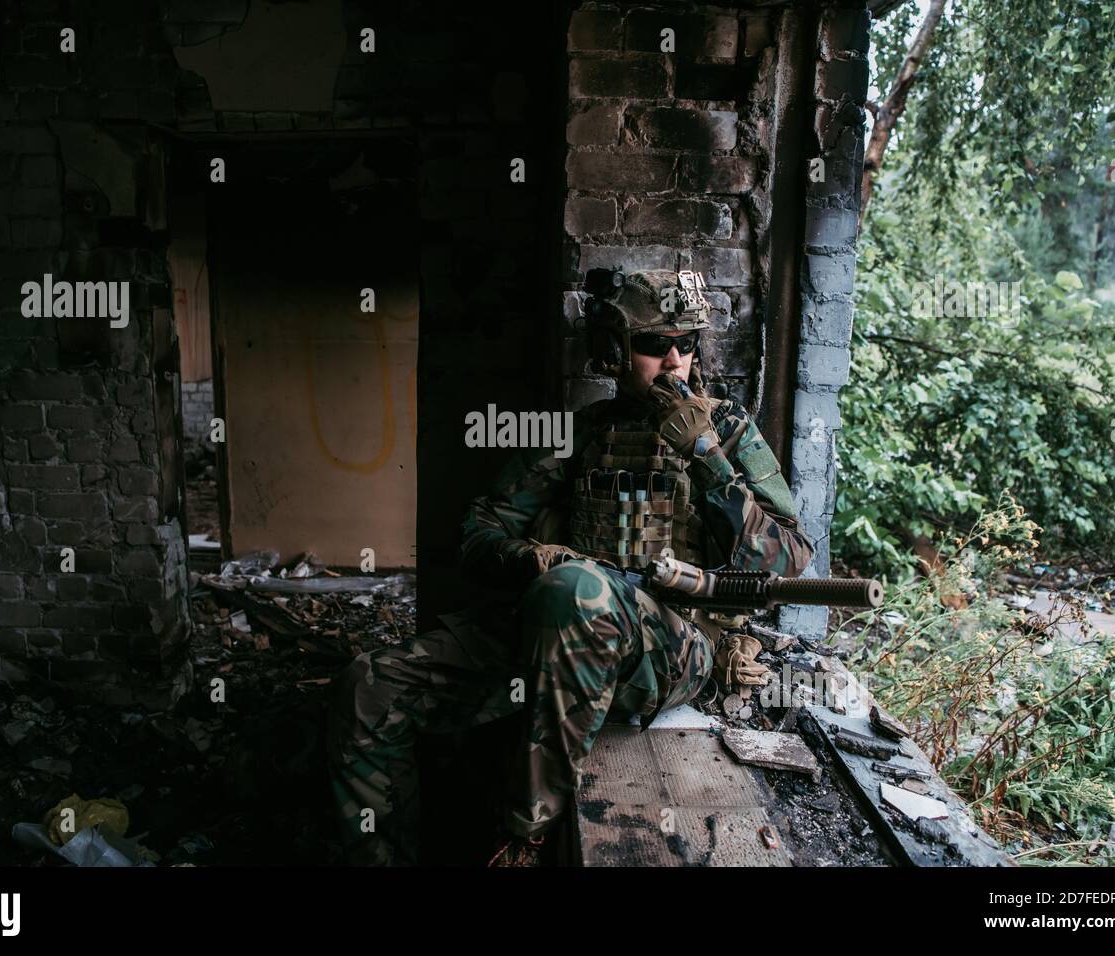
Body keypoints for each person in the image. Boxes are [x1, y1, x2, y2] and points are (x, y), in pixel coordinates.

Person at [326, 269, 813, 865]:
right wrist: (533, 557)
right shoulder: (580, 434)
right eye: (655, 345)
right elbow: (478, 534)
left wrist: (706, 455)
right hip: (558, 630)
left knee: (578, 590)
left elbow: (788, 561)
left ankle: (525, 836)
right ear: (614, 349)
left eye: (687, 344)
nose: (676, 361)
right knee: (369, 688)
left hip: (675, 647)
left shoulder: (730, 431)